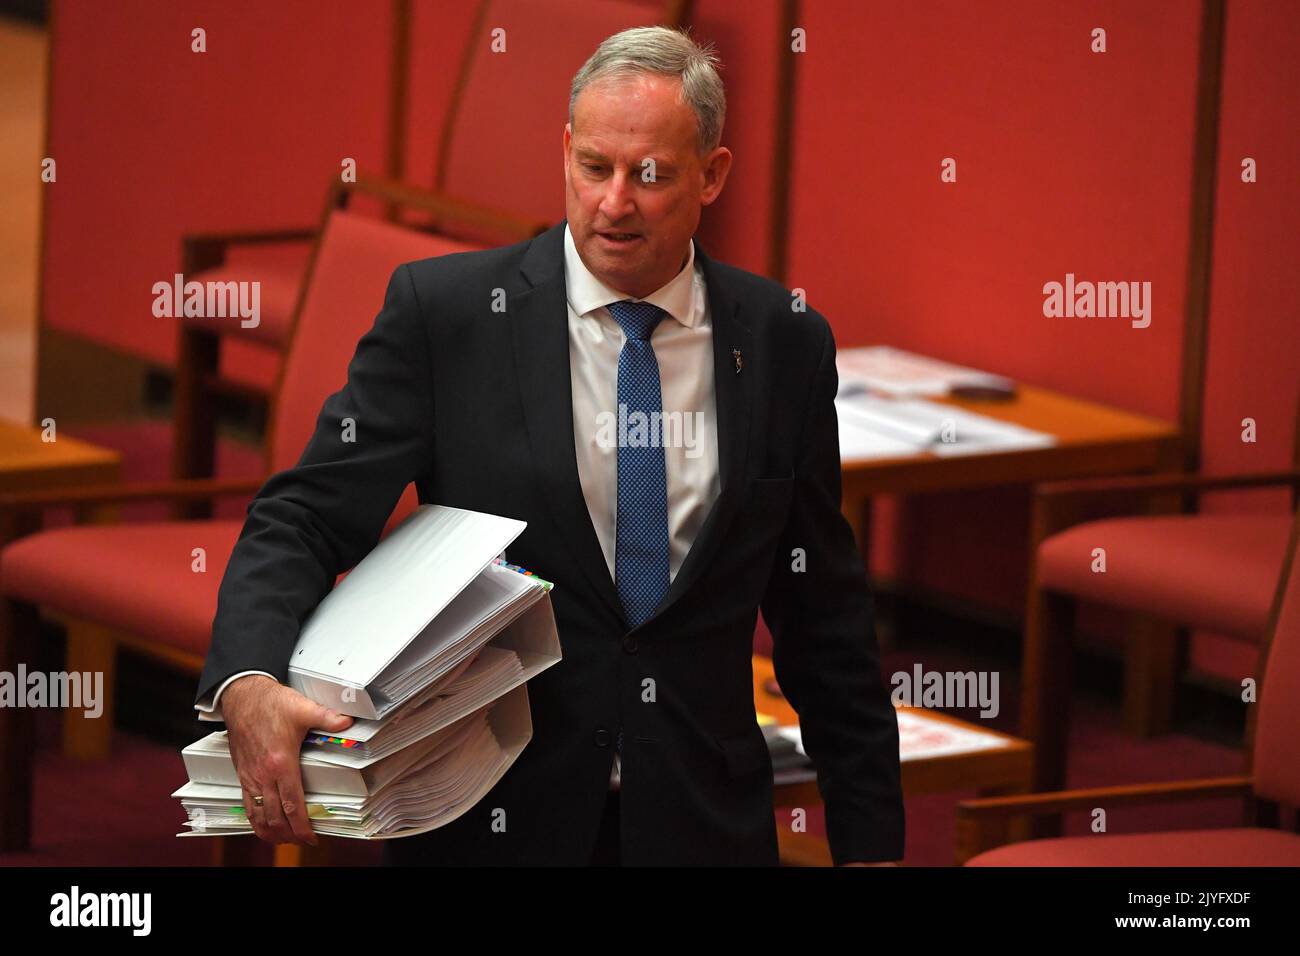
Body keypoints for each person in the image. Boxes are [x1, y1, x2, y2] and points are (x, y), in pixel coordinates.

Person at [194, 25, 903, 866]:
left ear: (713, 174)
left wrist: (870, 843)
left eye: (649, 175)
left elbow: (822, 612)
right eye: (594, 166)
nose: (613, 203)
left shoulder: (784, 342)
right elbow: (306, 515)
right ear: (565, 151)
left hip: (700, 823)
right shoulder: (450, 317)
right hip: (495, 819)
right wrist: (247, 681)